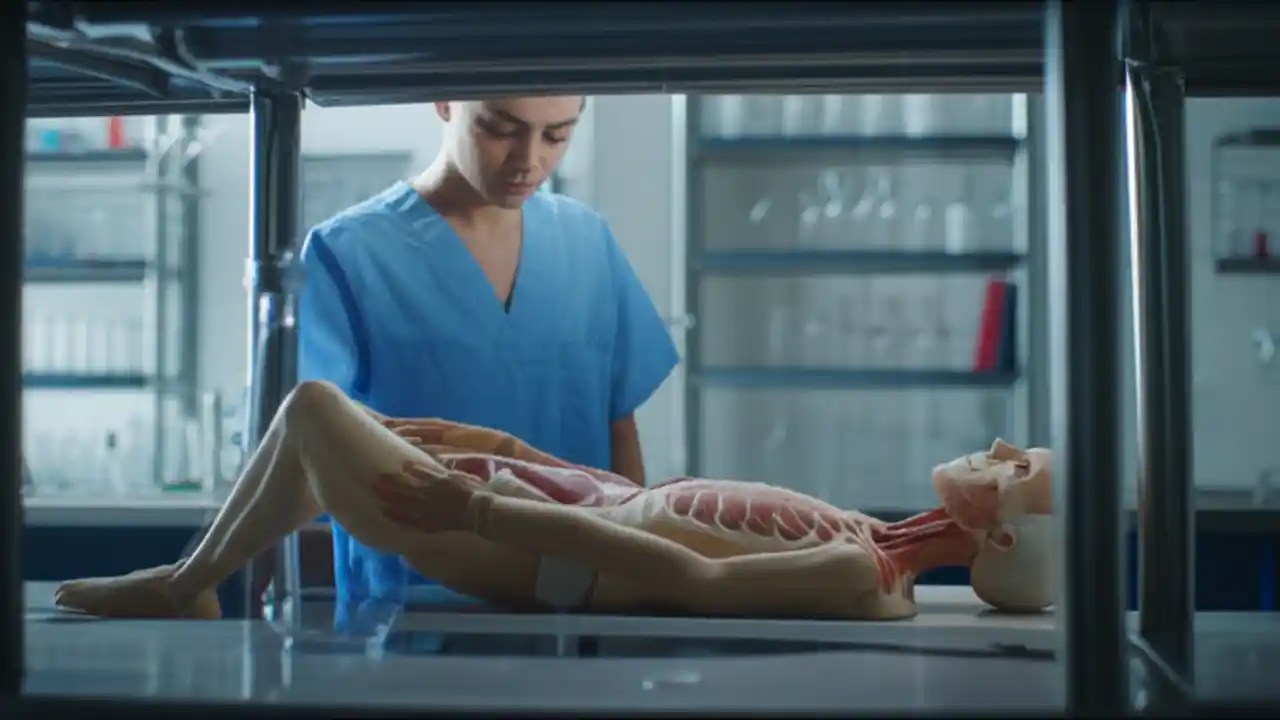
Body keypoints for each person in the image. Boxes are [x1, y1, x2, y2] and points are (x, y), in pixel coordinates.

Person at [53, 380, 1056, 621]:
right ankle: (190, 579)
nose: (1001, 449)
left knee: (313, 412)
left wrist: (478, 512)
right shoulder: (868, 534)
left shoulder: (861, 570)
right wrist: (508, 453)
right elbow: (658, 504)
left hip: (541, 553)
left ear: (1001, 535)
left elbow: (684, 570)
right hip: (567, 508)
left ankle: (189, 580)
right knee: (321, 424)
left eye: (1017, 469)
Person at [289, 94, 679, 614]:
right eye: (501, 130)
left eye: (557, 136)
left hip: (580, 604)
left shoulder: (586, 243)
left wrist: (637, 583)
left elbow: (618, 430)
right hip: (412, 616)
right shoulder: (350, 254)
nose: (528, 160)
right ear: (446, 102)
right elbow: (305, 450)